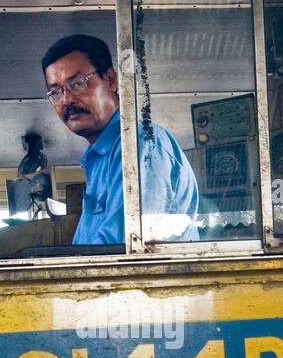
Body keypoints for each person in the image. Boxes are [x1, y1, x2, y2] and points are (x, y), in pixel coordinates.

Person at [41, 34, 199, 245]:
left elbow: (125, 252)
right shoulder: (99, 159)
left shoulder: (139, 146)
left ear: (111, 79)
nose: (67, 99)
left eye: (77, 83)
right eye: (55, 92)